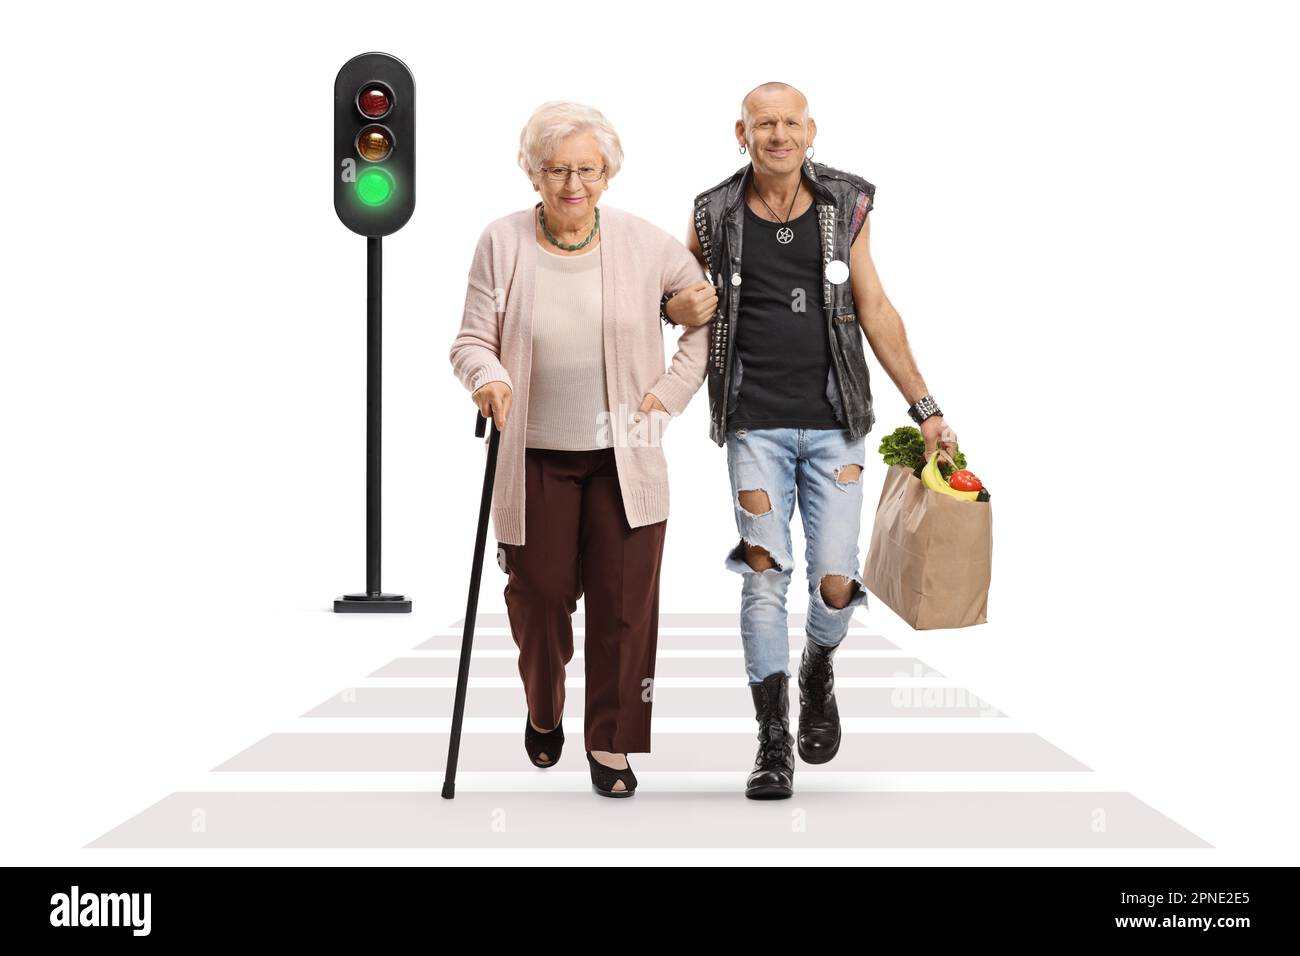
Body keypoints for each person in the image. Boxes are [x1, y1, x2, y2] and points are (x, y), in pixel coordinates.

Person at [673, 82, 961, 799]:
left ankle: (818, 666)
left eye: (789, 123)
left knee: (834, 579)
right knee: (764, 572)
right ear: (740, 133)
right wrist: (670, 305)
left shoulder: (846, 205)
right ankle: (772, 740)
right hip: (753, 425)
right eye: (762, 123)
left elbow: (876, 309)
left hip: (837, 425)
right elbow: (676, 296)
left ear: (811, 131)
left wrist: (925, 408)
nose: (777, 135)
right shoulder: (711, 213)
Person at [449, 101, 715, 797]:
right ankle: (544, 703)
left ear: (609, 173)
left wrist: (664, 398)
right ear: (532, 172)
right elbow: (471, 340)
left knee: (625, 607)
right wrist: (491, 378)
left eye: (587, 170)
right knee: (537, 597)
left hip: (625, 455)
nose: (573, 183)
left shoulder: (645, 243)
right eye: (557, 169)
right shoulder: (502, 242)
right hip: (533, 454)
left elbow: (704, 318)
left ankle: (612, 743)